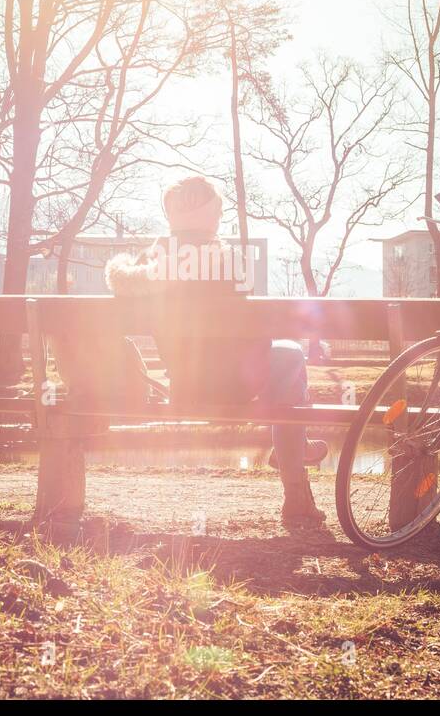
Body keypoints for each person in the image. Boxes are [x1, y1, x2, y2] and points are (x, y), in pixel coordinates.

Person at [105, 176, 329, 530]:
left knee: (284, 361)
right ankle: (296, 481)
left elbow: (122, 280)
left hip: (186, 387)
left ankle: (295, 450)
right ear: (210, 216)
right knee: (291, 357)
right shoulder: (227, 259)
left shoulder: (153, 265)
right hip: (237, 387)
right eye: (219, 212)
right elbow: (252, 334)